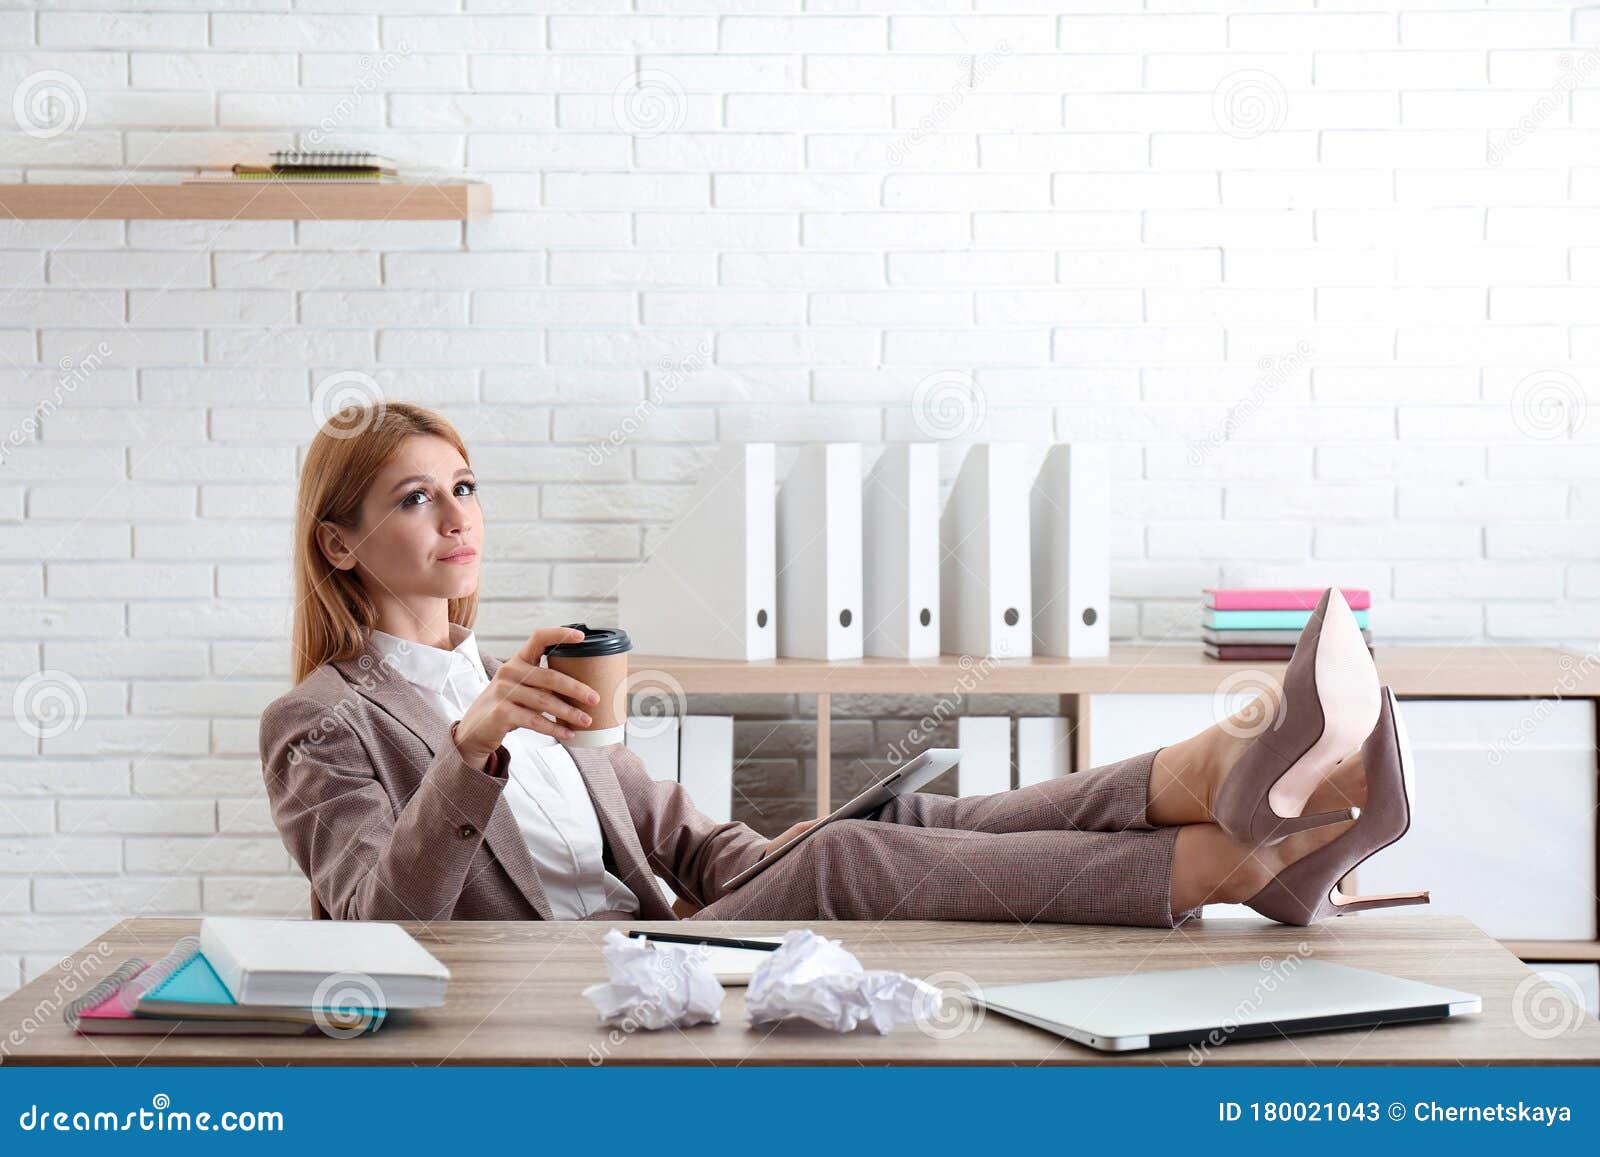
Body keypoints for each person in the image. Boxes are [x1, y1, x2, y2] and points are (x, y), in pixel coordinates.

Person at [260, 402, 1427, 929]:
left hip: (673, 916)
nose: (456, 514)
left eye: (464, 485)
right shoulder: (321, 722)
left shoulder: (510, 670)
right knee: (864, 857)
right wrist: (474, 750)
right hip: (590, 975)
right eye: (416, 496)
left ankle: (1240, 792)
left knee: (902, 815)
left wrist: (777, 850)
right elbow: (376, 914)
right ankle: (1241, 845)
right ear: (342, 542)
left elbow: (681, 838)